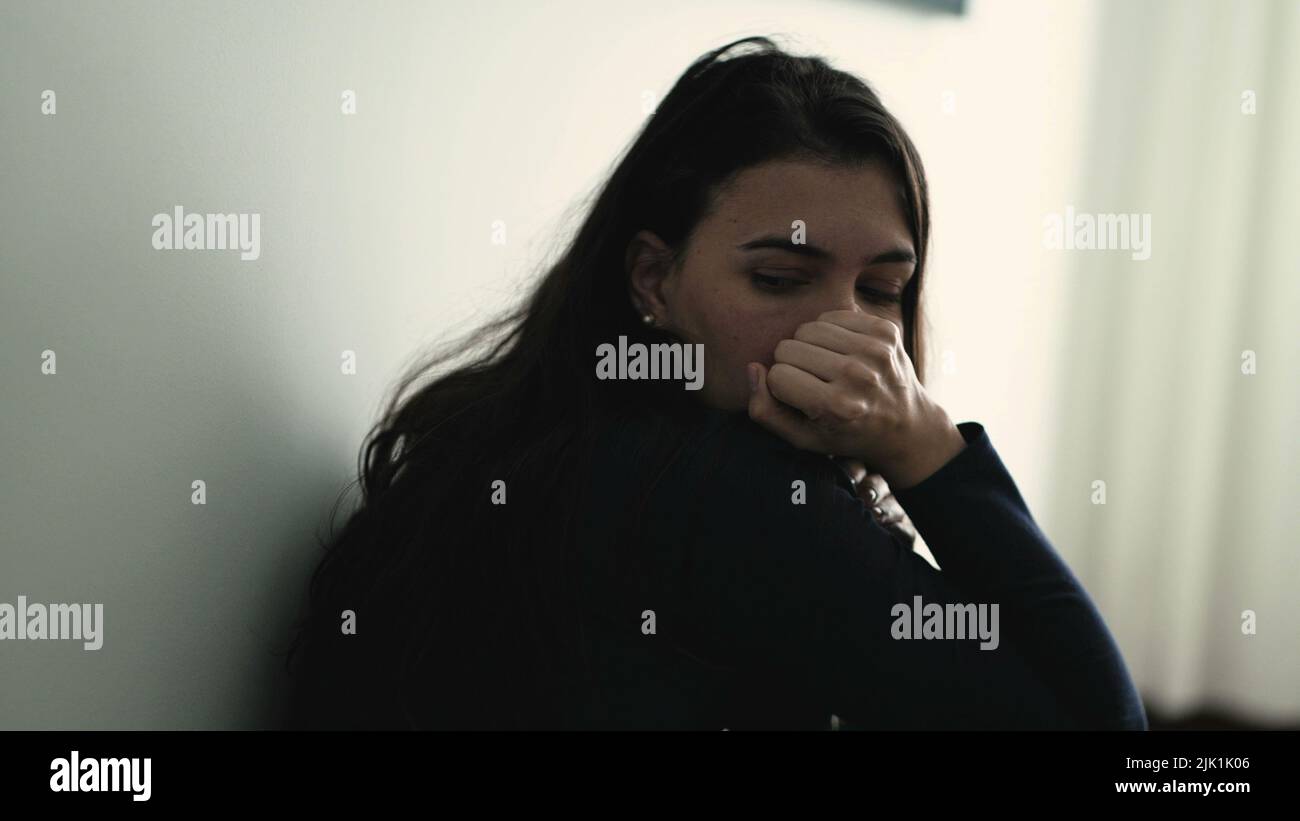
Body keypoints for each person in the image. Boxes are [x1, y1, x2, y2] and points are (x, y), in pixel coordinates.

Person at [283, 36, 1147, 731]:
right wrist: (923, 444)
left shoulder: (518, 432)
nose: (848, 335)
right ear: (653, 279)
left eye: (882, 290)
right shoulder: (727, 497)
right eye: (779, 279)